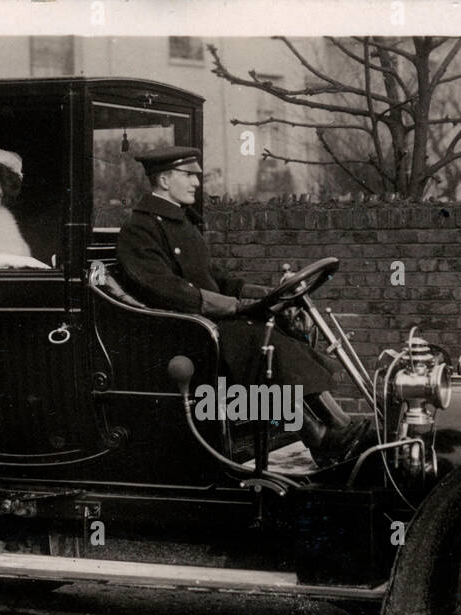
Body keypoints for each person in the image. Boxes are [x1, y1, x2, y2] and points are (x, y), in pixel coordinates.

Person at [115, 146, 370, 465]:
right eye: (189, 175)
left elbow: (215, 278)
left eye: (196, 175)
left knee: (273, 332)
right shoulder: (141, 229)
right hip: (180, 336)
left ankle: (338, 427)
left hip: (204, 328)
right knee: (257, 344)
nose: (197, 182)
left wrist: (266, 294)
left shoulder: (182, 223)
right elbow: (164, 289)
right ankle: (320, 436)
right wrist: (235, 307)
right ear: (165, 180)